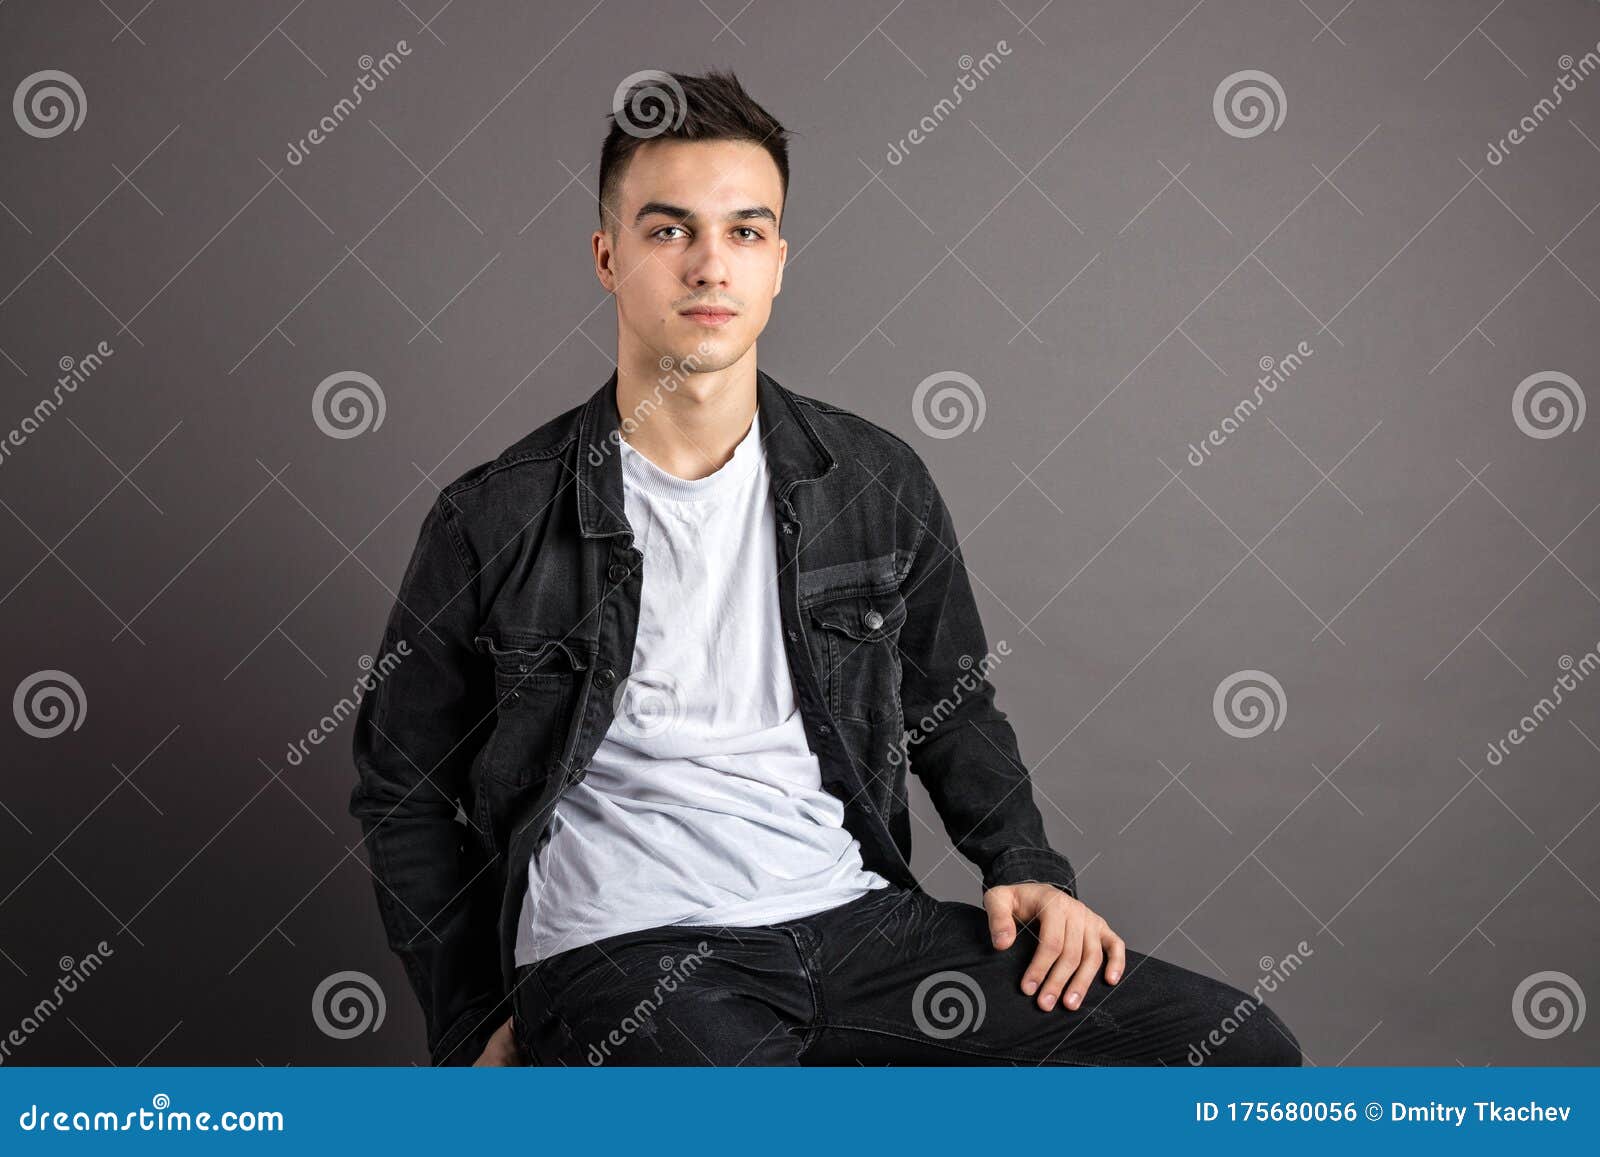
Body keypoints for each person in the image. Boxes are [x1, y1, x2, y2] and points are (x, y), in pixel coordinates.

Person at [349, 69, 1301, 1067]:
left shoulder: (872, 479)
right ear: (607, 257)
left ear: (778, 263)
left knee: (1234, 1051)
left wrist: (1020, 860)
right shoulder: (495, 516)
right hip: (625, 955)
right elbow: (401, 787)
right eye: (669, 230)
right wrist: (467, 1024)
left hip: (858, 928)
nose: (710, 265)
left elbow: (954, 702)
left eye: (745, 231)